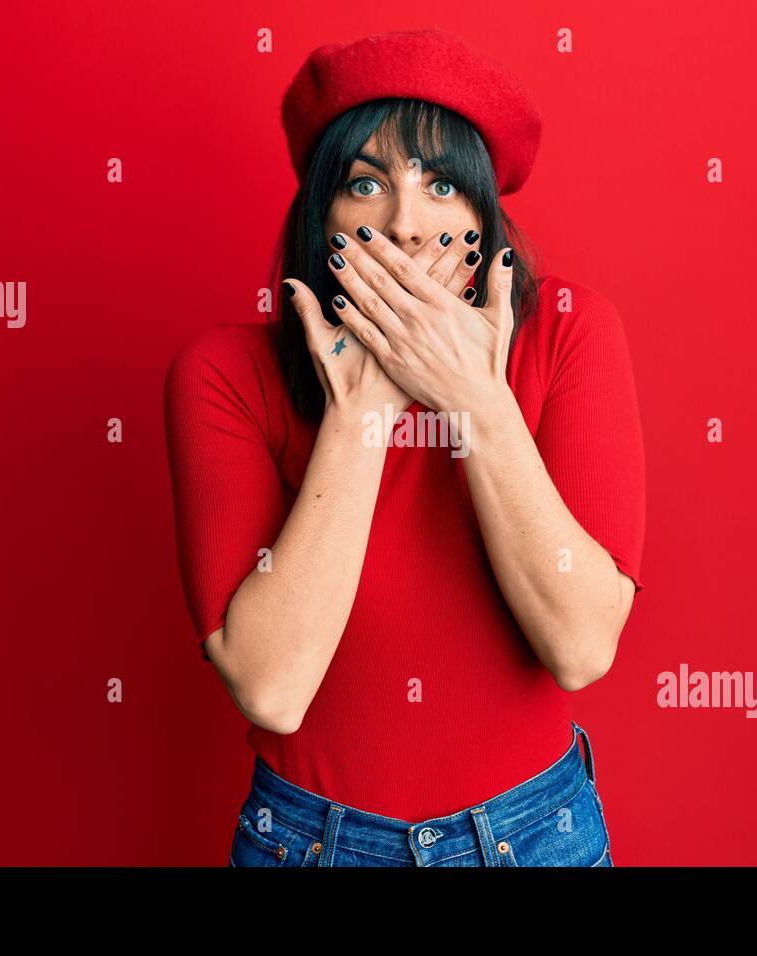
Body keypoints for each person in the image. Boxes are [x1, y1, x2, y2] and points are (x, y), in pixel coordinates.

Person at [164, 27, 646, 867]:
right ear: (326, 217)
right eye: (366, 184)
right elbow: (272, 688)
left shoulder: (571, 334)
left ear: (483, 216)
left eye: (442, 185)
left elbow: (580, 647)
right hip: (312, 846)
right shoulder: (225, 374)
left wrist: (472, 400)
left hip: (536, 836)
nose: (406, 224)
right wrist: (363, 410)